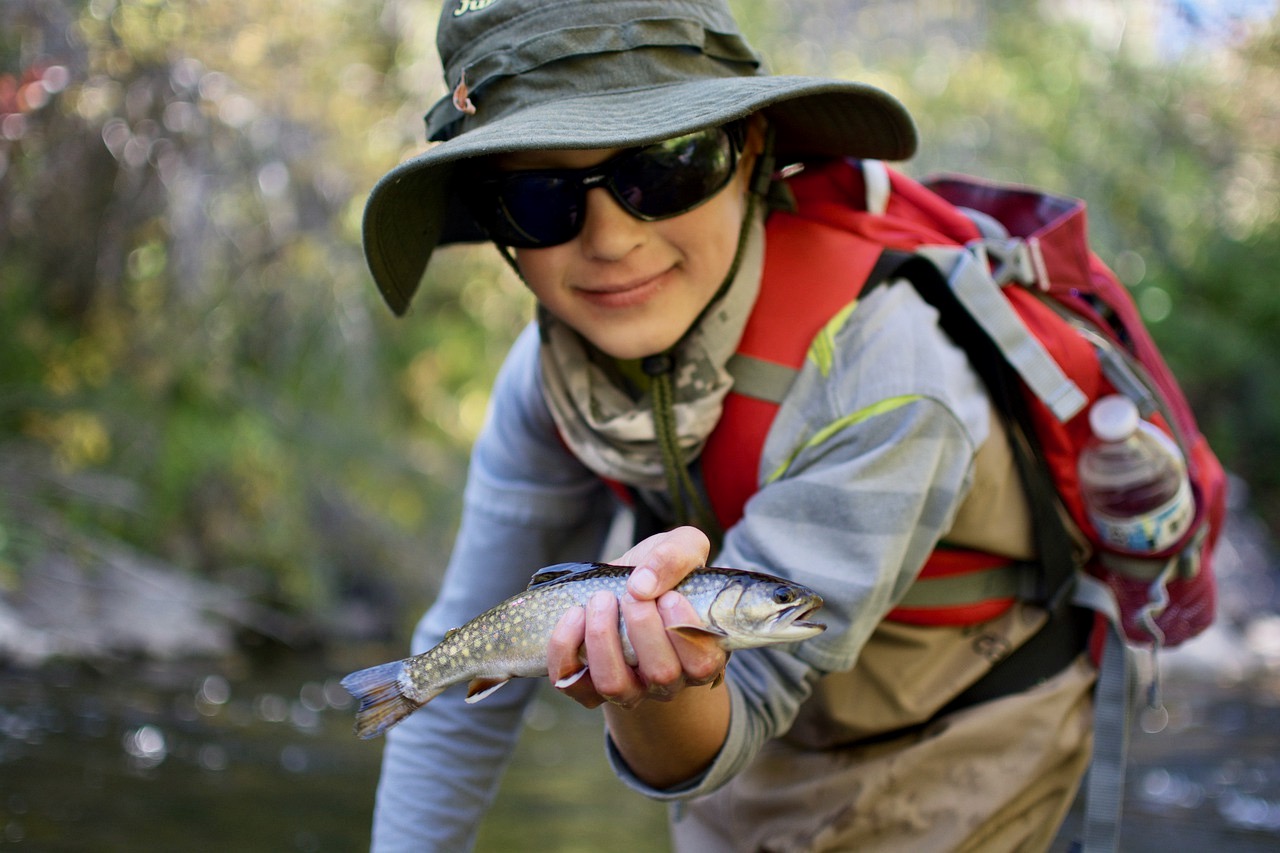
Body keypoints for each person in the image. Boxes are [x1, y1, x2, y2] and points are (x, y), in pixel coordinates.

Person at [360, 1, 1097, 850]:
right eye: (536, 197)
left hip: (968, 737)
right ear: (494, 227)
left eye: (665, 169)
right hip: (737, 754)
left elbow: (751, 693)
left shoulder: (890, 376)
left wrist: (658, 689)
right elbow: (461, 692)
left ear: (750, 156)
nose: (611, 238)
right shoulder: (548, 382)